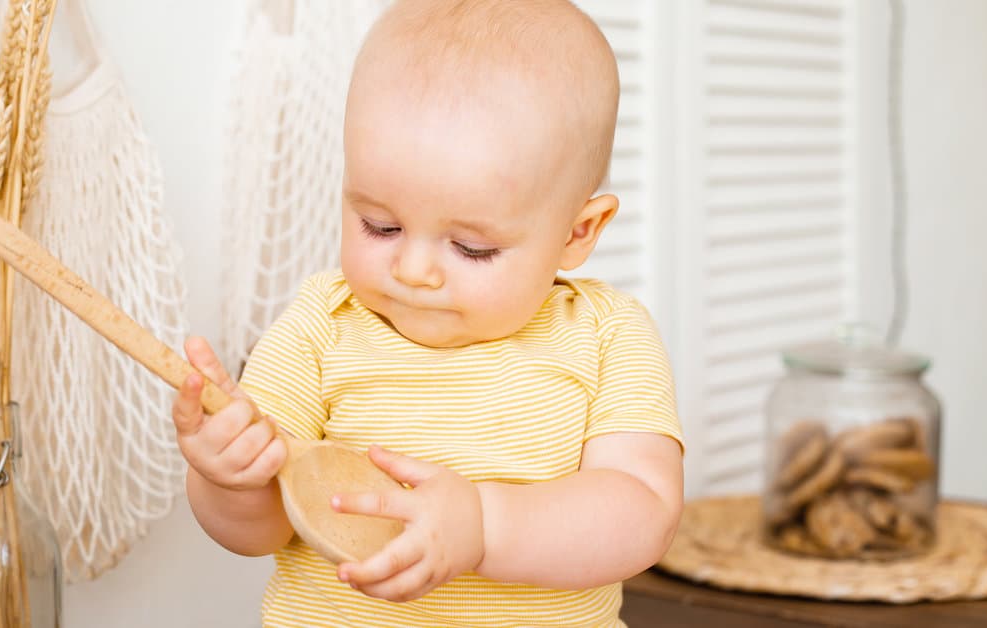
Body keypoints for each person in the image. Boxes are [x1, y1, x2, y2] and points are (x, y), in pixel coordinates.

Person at [171, 1, 684, 625]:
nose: (413, 270)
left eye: (472, 247)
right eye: (379, 225)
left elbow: (642, 514)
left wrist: (486, 526)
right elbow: (261, 530)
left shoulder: (607, 335)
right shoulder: (321, 325)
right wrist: (232, 479)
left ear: (579, 231)